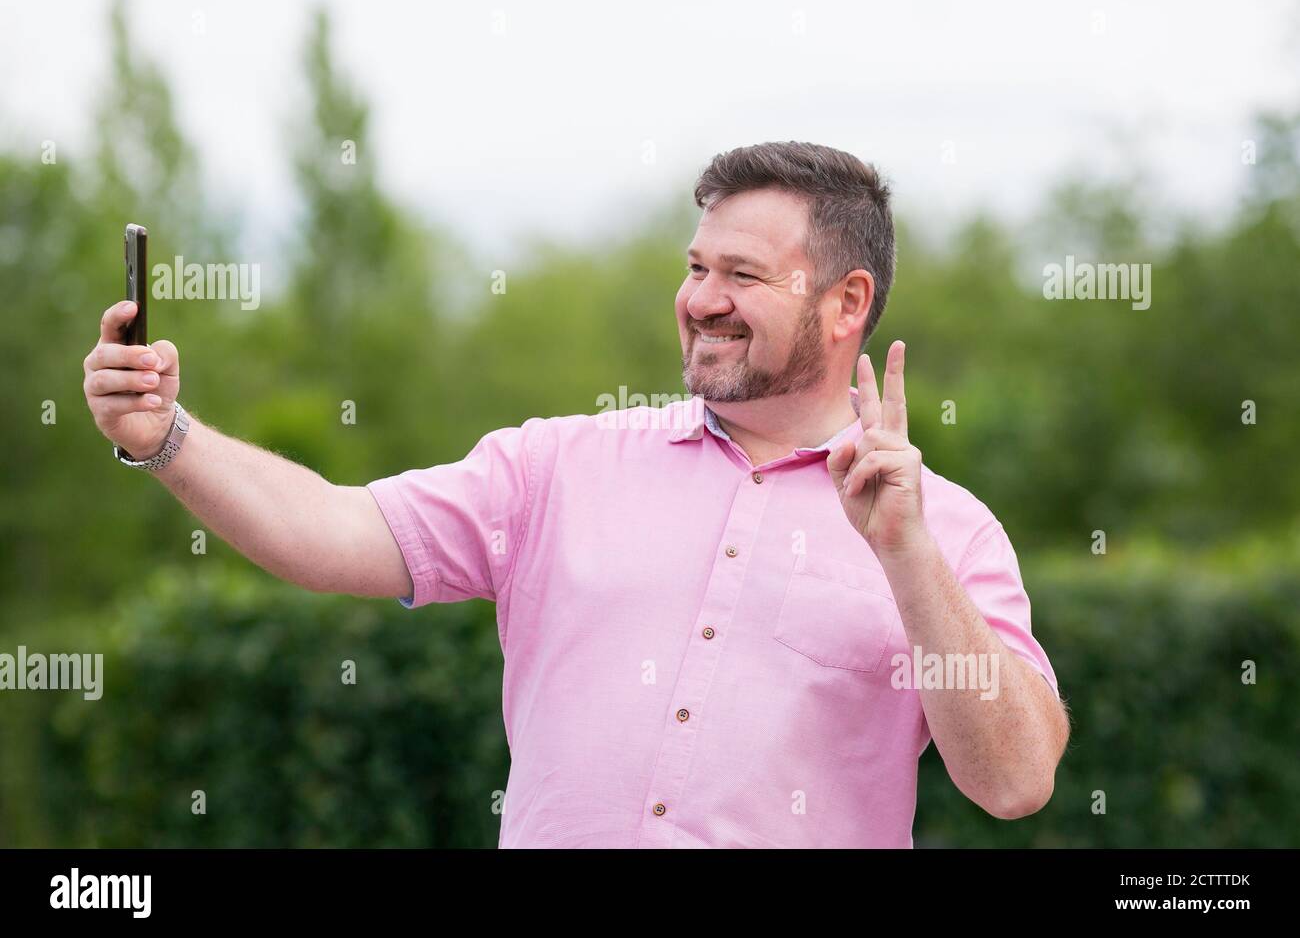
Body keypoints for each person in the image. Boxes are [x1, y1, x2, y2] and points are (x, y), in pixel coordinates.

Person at [83, 141, 1069, 848]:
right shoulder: (557, 466)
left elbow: (1016, 779)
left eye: (741, 273)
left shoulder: (947, 528)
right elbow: (333, 529)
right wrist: (169, 438)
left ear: (846, 302)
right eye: (694, 267)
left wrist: (905, 554)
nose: (700, 299)